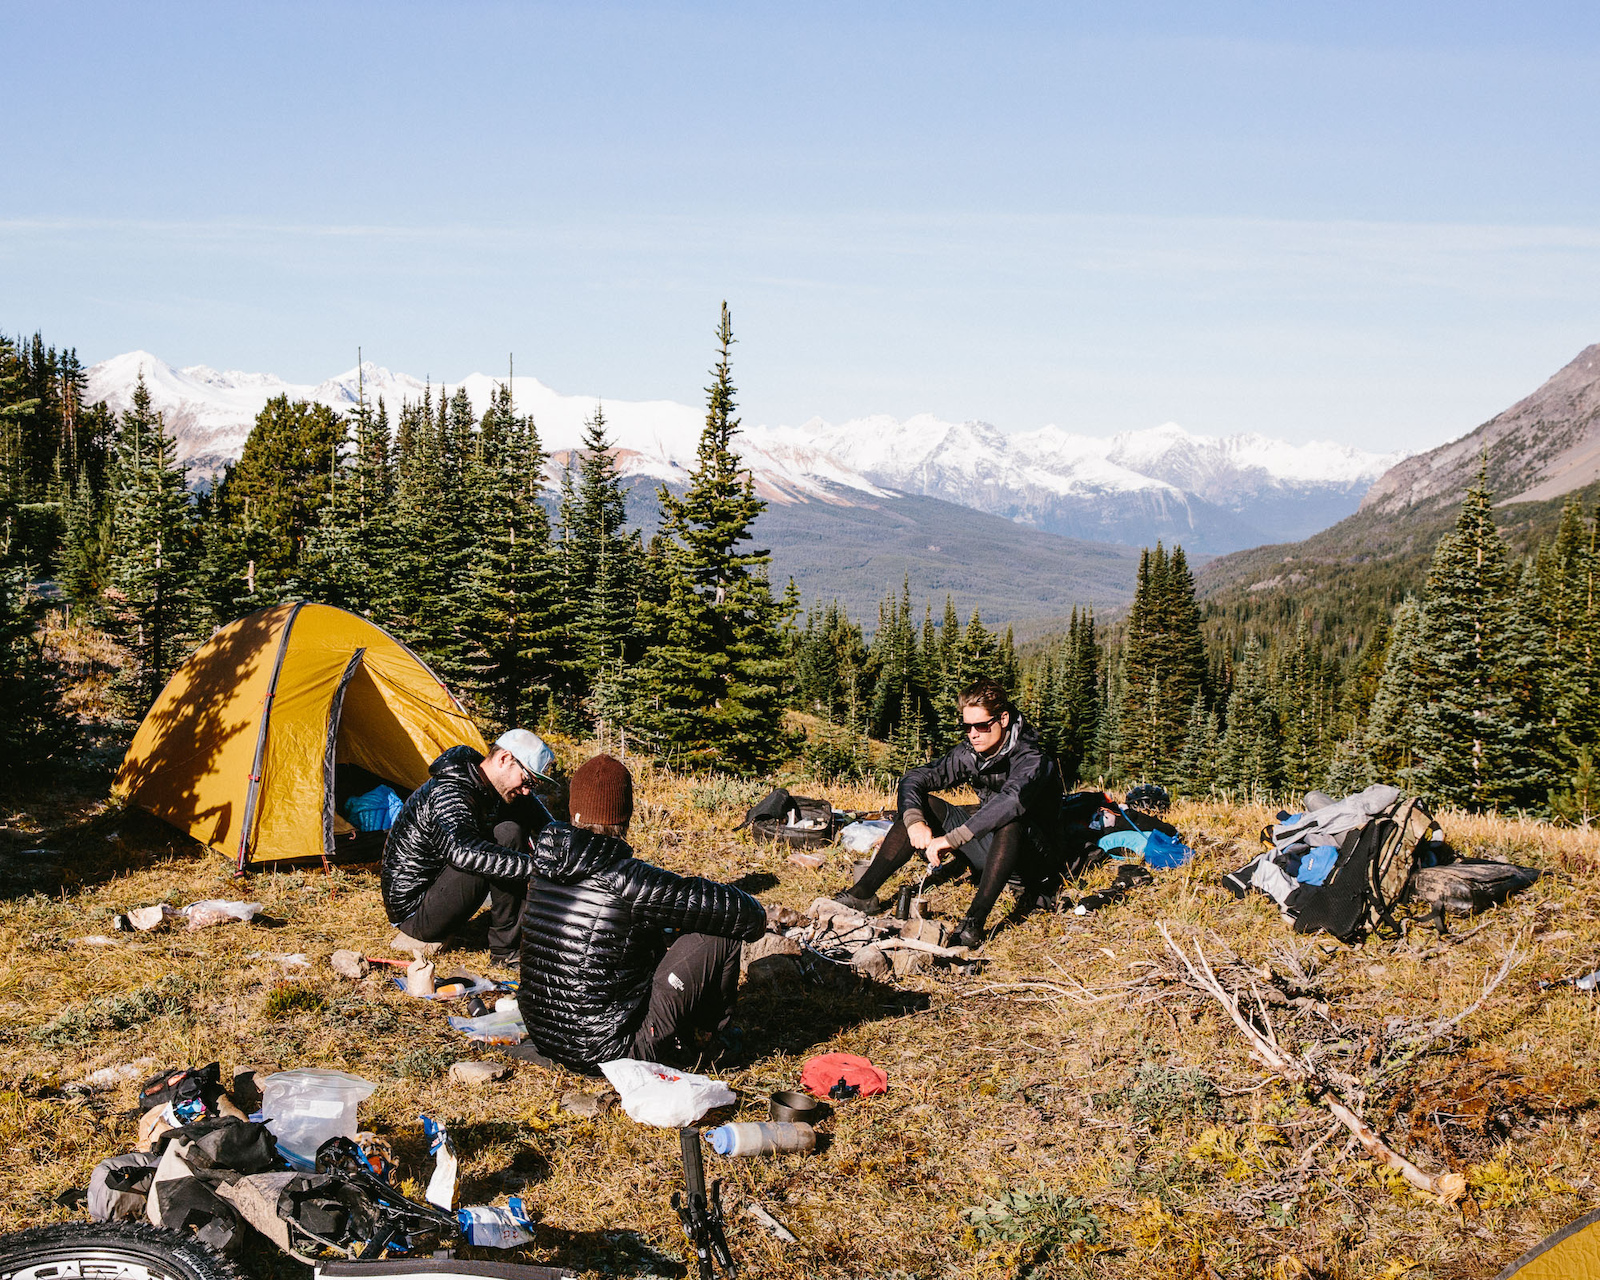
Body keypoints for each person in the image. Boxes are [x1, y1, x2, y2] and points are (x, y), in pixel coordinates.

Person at [517, 753, 767, 1073]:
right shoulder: (627, 878)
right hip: (611, 1049)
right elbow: (748, 915)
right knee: (721, 928)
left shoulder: (546, 862)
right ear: (625, 813)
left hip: (546, 1035)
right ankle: (709, 1037)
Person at [835, 677, 1063, 949]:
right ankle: (862, 894)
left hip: (1035, 860)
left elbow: (1010, 802)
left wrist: (952, 839)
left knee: (1009, 820)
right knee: (926, 805)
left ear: (1003, 719)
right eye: (966, 726)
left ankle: (973, 922)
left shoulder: (1032, 758)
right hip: (992, 851)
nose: (973, 734)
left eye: (981, 725)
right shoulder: (972, 752)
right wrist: (914, 821)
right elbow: (915, 778)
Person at [381, 728, 557, 966]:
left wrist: (575, 854)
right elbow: (462, 852)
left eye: (532, 785)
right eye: (526, 781)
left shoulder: (492, 783)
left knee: (509, 830)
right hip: (415, 910)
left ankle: (507, 943)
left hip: (441, 885)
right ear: (504, 758)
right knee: (502, 839)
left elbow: (549, 827)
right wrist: (536, 867)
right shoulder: (450, 790)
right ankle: (505, 952)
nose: (526, 790)